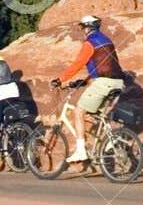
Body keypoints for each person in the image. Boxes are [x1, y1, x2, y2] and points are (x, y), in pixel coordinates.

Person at [51, 15, 125, 165]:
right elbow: (101, 65)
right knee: (97, 112)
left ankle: (80, 151)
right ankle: (111, 140)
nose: (83, 30)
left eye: (83, 27)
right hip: (118, 82)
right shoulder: (106, 40)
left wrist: (60, 79)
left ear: (88, 27)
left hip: (105, 82)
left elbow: (78, 63)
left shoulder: (90, 42)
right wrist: (84, 81)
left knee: (79, 111)